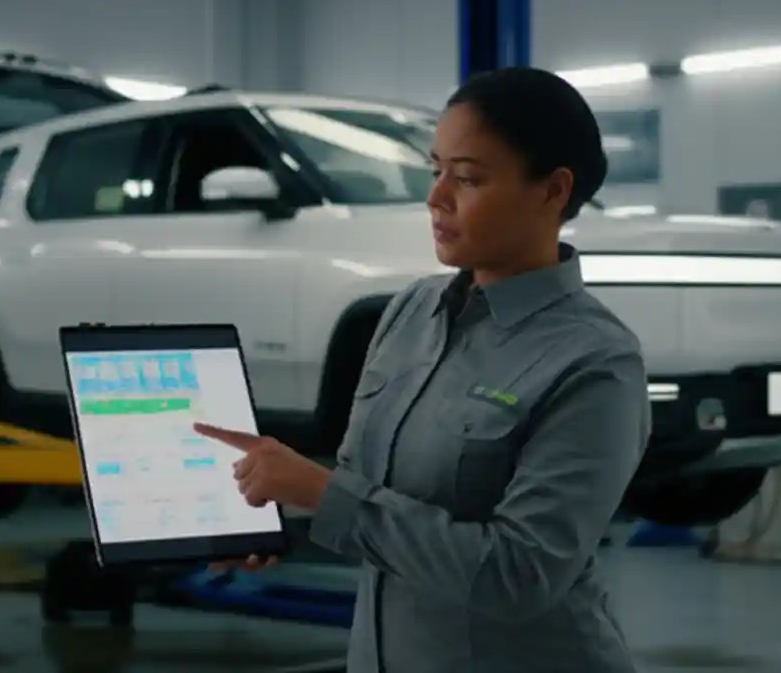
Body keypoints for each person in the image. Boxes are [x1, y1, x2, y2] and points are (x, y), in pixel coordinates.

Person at [196, 67, 650, 672]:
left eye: (466, 178)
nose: (436, 198)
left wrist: (321, 493)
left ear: (552, 191)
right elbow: (375, 498)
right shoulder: (411, 310)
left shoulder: (595, 362)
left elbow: (520, 574)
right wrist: (273, 522)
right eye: (435, 170)